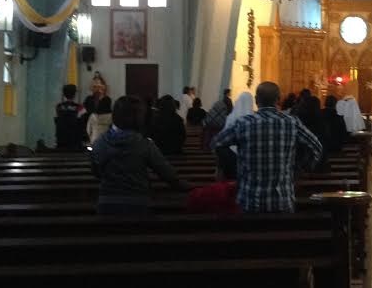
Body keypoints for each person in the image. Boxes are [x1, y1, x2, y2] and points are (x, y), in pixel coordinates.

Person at [212, 81, 323, 213]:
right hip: (282, 200)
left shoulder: (243, 123)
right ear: (278, 99)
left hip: (249, 200)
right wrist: (301, 169)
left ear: (256, 100)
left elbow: (216, 143)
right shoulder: (292, 122)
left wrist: (235, 166)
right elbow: (316, 146)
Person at [90, 96, 188, 214]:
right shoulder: (144, 144)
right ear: (136, 119)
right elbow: (168, 175)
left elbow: (96, 171)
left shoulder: (99, 143)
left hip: (106, 204)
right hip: (138, 204)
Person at [216, 91, 256, 180]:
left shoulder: (231, 117)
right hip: (248, 156)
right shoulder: (254, 119)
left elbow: (222, 138)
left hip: (231, 155)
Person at [54, 84, 85, 150]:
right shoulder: (80, 108)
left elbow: (56, 121)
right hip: (75, 142)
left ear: (64, 94)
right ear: (74, 95)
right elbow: (82, 124)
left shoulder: (58, 107)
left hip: (61, 140)